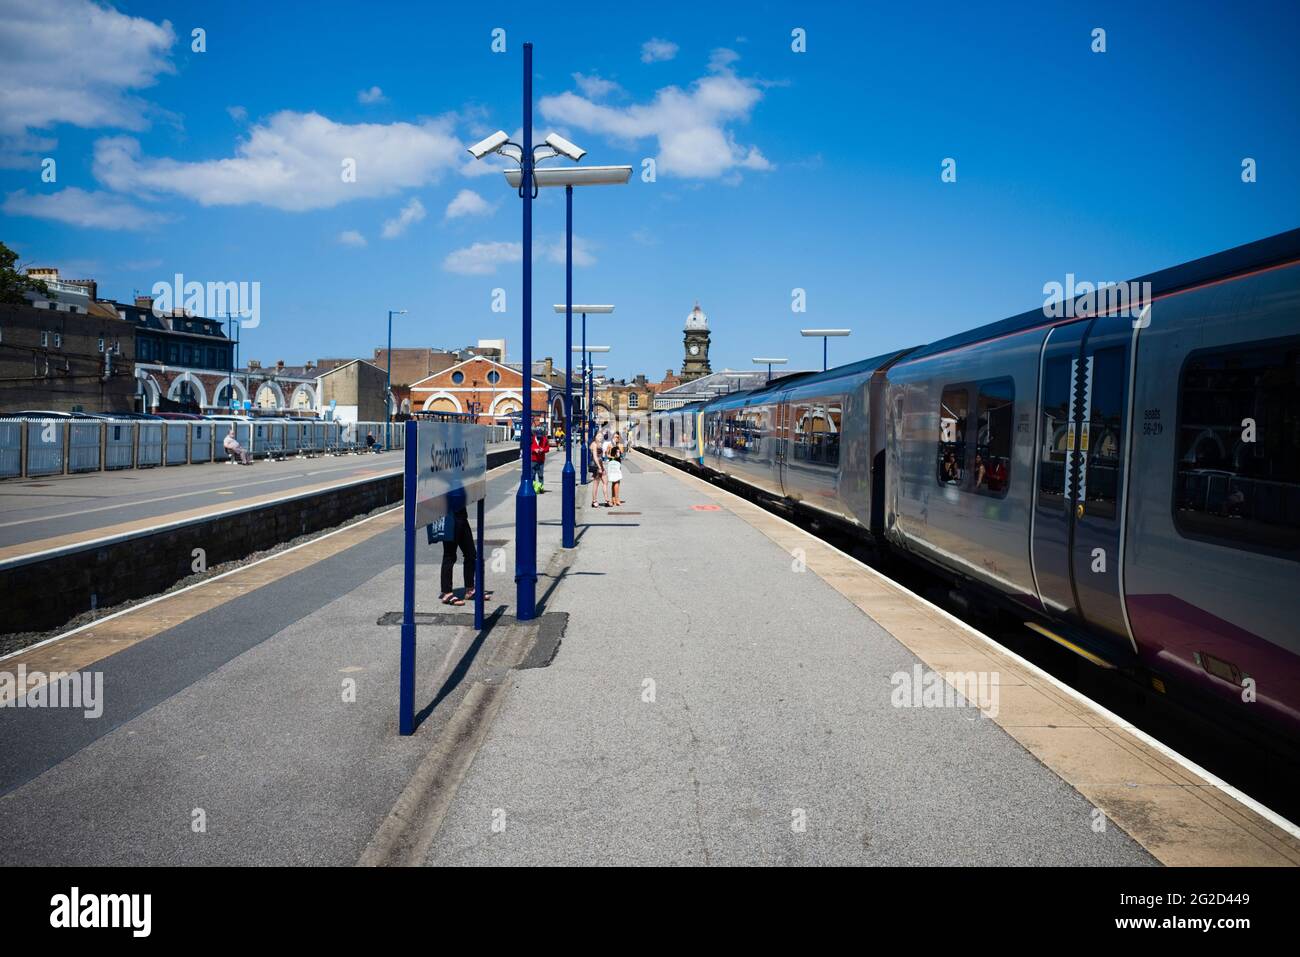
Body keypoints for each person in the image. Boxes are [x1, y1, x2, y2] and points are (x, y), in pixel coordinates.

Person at [439, 494, 478, 606]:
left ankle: (469, 590)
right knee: (450, 555)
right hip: (449, 515)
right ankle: (447, 593)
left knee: (471, 553)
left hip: (461, 515)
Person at [589, 430, 607, 506]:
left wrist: (603, 467)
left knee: (605, 481)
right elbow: (595, 457)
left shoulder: (599, 444)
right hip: (596, 466)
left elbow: (600, 457)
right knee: (596, 484)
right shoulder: (594, 444)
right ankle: (594, 501)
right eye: (599, 436)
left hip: (600, 465)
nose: (600, 437)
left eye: (601, 436)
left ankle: (607, 500)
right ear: (595, 436)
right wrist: (600, 467)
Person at [606, 435, 624, 507]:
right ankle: (617, 499)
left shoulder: (621, 445)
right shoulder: (610, 445)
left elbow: (622, 453)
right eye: (615, 437)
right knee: (615, 482)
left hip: (618, 464)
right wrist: (612, 457)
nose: (616, 438)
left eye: (618, 437)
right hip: (612, 464)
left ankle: (613, 499)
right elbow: (606, 454)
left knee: (616, 481)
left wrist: (618, 447)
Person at [531, 427, 550, 493]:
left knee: (540, 475)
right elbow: (528, 447)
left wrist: (543, 450)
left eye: (541, 436)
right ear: (536, 434)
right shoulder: (532, 439)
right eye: (538, 436)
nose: (540, 437)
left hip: (541, 460)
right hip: (533, 459)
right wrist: (534, 450)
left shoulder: (544, 439)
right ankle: (532, 488)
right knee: (532, 475)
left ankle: (541, 488)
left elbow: (547, 448)